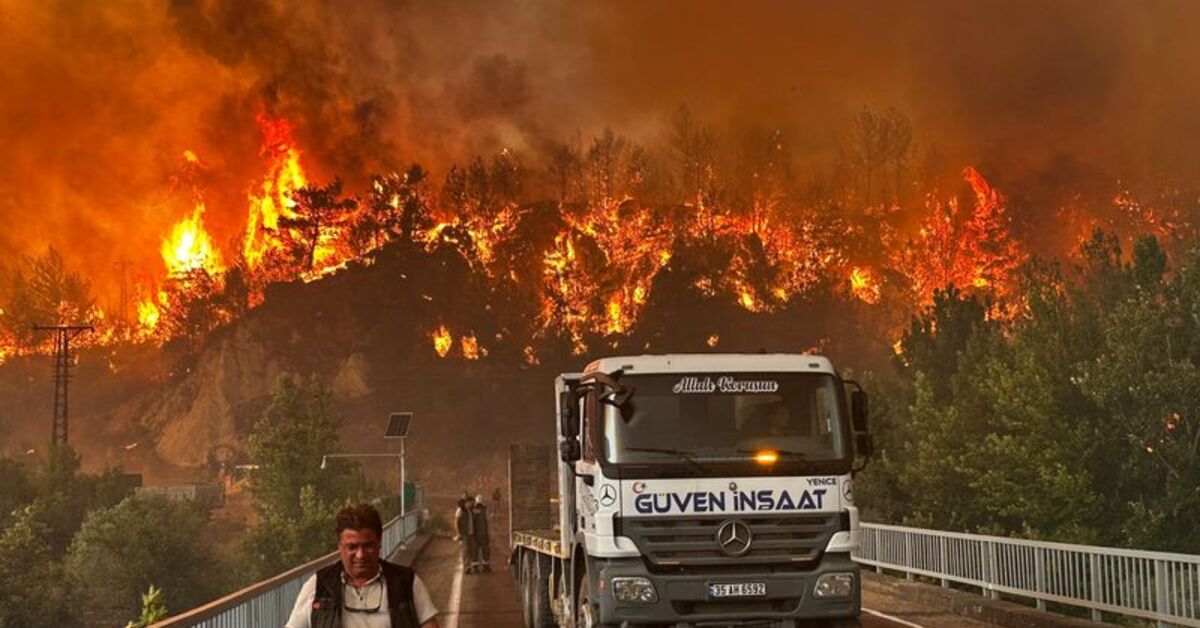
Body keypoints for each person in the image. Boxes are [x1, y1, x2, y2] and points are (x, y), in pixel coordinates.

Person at [286, 503, 439, 628]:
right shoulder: (318, 586)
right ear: (340, 547)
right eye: (352, 547)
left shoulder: (406, 583)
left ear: (379, 543)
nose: (361, 555)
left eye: (368, 546)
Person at [453, 494, 476, 573]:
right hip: (464, 533)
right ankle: (467, 567)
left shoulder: (470, 510)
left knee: (471, 550)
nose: (472, 504)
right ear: (467, 502)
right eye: (471, 503)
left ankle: (469, 565)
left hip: (470, 533)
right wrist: (458, 533)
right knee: (465, 550)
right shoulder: (460, 510)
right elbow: (456, 522)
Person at [471, 494, 491, 573]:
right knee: (485, 550)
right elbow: (488, 520)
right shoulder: (485, 510)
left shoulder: (472, 510)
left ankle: (475, 567)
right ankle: (485, 566)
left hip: (475, 533)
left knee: (475, 550)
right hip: (484, 533)